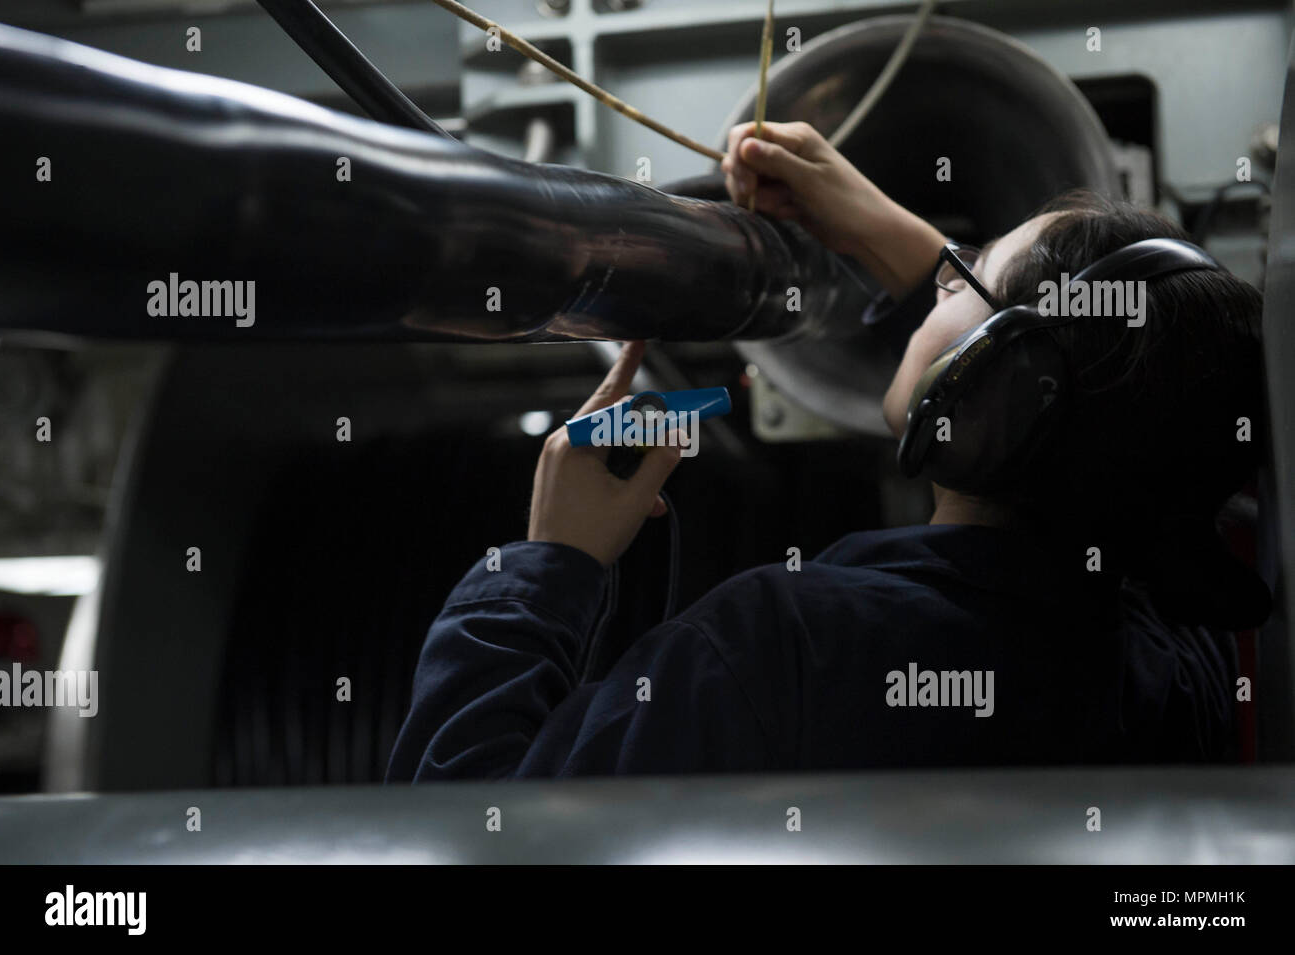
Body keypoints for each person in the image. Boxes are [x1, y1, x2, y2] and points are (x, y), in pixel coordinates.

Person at [386, 121, 1268, 781]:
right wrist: (885, 231)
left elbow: (467, 821)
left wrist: (549, 566)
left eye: (968, 277)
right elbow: (1110, 416)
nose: (943, 277)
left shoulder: (779, 649)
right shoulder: (1183, 660)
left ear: (1000, 388)